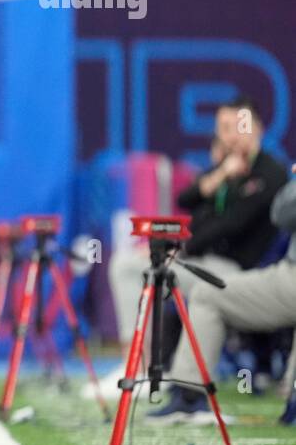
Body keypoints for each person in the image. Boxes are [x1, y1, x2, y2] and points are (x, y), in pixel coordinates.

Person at [99, 98, 288, 397]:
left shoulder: (271, 173)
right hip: (201, 262)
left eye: (236, 126)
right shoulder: (225, 171)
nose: (231, 135)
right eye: (223, 128)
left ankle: (165, 379)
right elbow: (187, 199)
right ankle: (135, 363)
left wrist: (178, 249)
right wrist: (222, 174)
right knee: (125, 264)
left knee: (162, 276)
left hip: (236, 271)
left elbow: (231, 225)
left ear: (257, 128)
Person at [150, 162, 296, 422]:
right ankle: (187, 393)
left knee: (207, 294)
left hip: (263, 270)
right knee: (206, 293)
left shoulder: (268, 170)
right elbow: (282, 215)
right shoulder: (222, 169)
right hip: (284, 274)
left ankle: (190, 396)